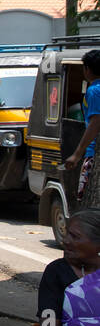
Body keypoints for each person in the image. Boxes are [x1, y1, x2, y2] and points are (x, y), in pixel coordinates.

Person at [39, 209, 100, 326]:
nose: (65, 240)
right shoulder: (56, 272)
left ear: (97, 244)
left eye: (75, 236)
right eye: (67, 233)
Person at [63, 49, 100, 208]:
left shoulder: (94, 91)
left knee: (86, 203)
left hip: (94, 155)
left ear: (87, 69)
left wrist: (77, 155)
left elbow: (96, 122)